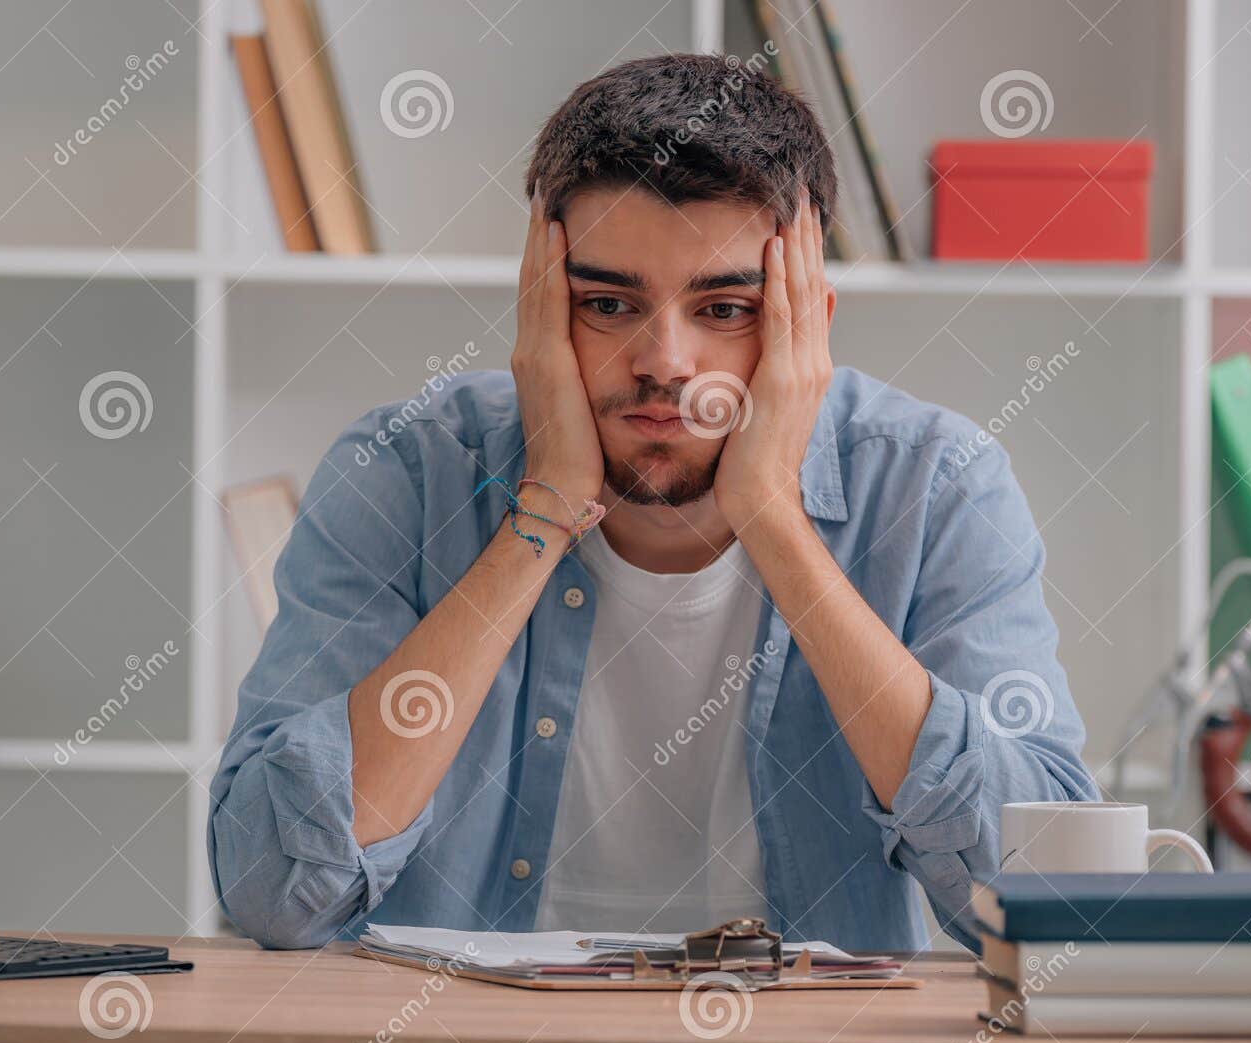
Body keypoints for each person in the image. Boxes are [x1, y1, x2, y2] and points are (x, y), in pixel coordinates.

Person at [209, 53, 1095, 953]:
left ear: (808, 319)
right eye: (607, 302)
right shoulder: (404, 471)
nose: (664, 362)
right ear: (539, 309)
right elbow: (275, 888)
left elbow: (1046, 903)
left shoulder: (937, 486)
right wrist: (543, 513)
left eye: (724, 309)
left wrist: (775, 521)